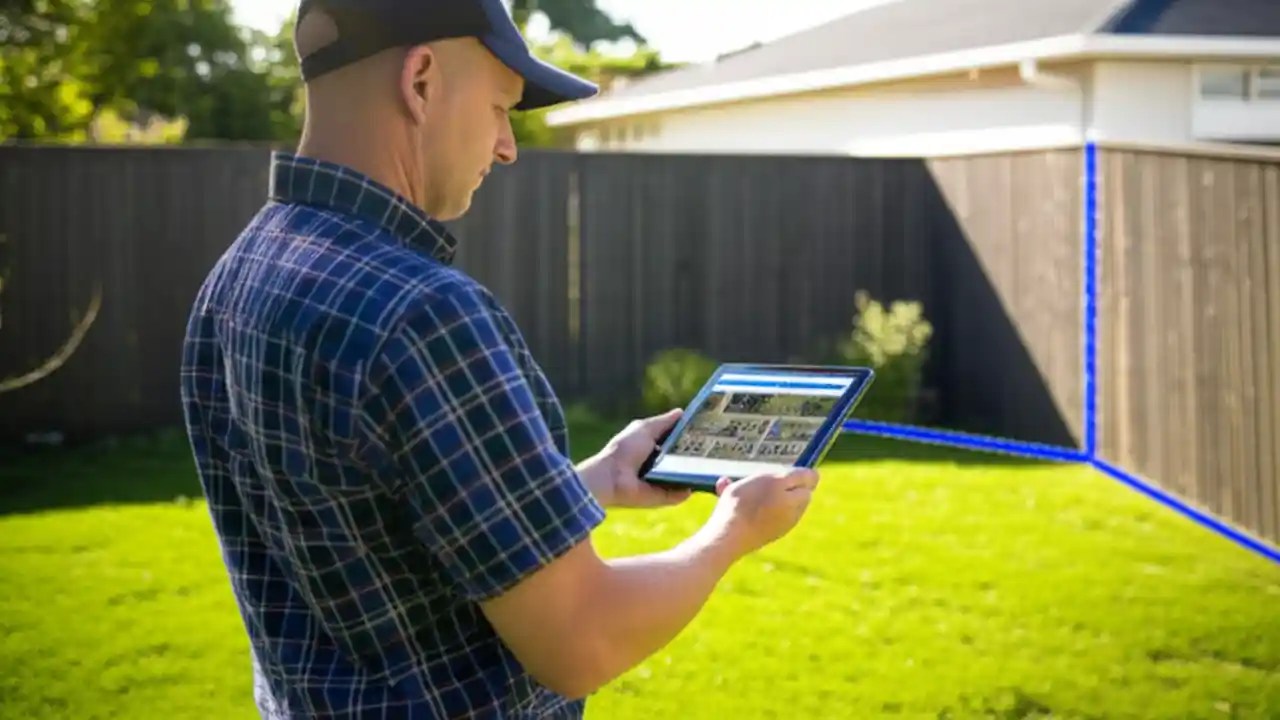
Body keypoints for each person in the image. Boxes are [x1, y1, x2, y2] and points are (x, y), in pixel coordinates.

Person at [179, 0, 820, 717]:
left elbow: (360, 532)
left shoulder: (235, 280)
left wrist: (593, 481)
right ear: (421, 81)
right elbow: (583, 640)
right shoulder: (422, 314)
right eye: (500, 107)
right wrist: (734, 530)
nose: (508, 146)